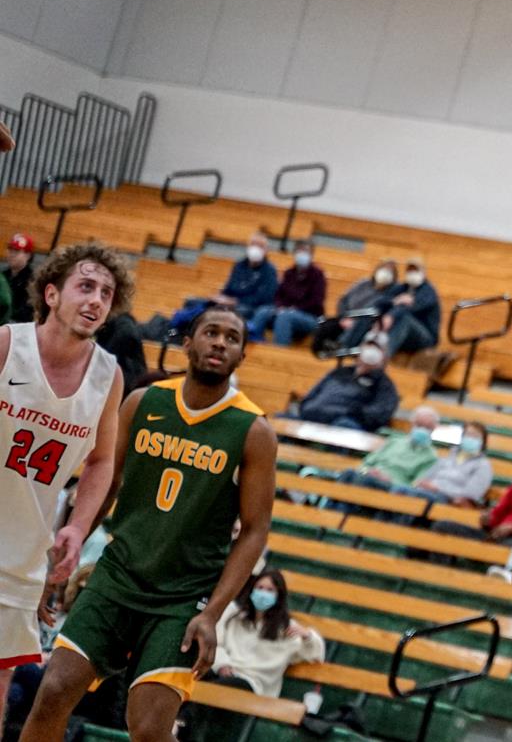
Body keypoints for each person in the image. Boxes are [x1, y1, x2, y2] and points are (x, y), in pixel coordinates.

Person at [25, 306, 276, 742]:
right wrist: (70, 547)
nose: (219, 342)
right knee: (53, 690)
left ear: (241, 357)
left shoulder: (253, 431)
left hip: (183, 596)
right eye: (211, 332)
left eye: (231, 338)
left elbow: (254, 531)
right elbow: (105, 479)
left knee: (148, 728)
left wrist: (213, 613)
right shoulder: (144, 402)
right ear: (187, 343)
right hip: (118, 575)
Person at [0, 244, 127, 707]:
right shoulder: (8, 344)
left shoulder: (108, 375)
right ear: (51, 294)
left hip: (24, 554)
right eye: (86, 286)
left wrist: (77, 525)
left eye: (107, 293)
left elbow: (100, 461)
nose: (96, 300)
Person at [208, 571, 324, 697]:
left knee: (226, 688)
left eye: (270, 590)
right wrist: (222, 664)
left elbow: (314, 654)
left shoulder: (286, 628)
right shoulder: (236, 617)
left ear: (279, 596)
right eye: (260, 588)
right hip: (224, 672)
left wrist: (308, 636)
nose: (263, 593)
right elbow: (216, 644)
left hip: (253, 684)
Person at [167, 233, 278, 336]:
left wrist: (235, 302)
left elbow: (265, 298)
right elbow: (228, 289)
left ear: (266, 250)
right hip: (229, 302)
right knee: (192, 302)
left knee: (223, 310)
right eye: (253, 244)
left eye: (260, 246)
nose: (255, 249)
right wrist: (220, 297)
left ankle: (190, 332)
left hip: (249, 307)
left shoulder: (269, 270)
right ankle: (174, 333)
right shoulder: (239, 265)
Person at [294, 342, 401, 432]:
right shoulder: (340, 372)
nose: (368, 356)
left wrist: (350, 412)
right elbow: (313, 394)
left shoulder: (383, 384)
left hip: (346, 422)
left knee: (344, 426)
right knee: (283, 419)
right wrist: (307, 407)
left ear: (382, 359)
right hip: (314, 414)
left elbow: (378, 414)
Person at [339, 404, 440, 487]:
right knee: (348, 474)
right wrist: (367, 472)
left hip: (392, 487)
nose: (422, 430)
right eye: (419, 425)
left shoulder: (431, 457)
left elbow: (415, 485)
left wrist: (389, 480)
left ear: (433, 429)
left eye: (427, 427)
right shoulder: (393, 442)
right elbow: (365, 465)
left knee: (364, 482)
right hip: (370, 476)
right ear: (412, 424)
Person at [246, 246, 325, 345]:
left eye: (306, 252)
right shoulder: (289, 273)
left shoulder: (317, 275)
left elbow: (316, 301)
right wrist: (280, 306)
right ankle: (252, 342)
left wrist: (294, 309)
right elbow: (279, 295)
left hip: (310, 316)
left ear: (311, 255)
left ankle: (279, 350)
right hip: (286, 310)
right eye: (299, 252)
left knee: (285, 316)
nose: (302, 255)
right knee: (263, 311)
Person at [401, 427, 492, 507]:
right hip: (427, 491)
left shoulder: (482, 465)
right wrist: (420, 484)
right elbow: (427, 477)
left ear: (483, 442)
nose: (470, 438)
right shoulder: (447, 457)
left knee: (414, 496)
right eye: (468, 434)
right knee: (401, 490)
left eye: (475, 436)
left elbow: (470, 494)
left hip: (447, 498)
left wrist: (438, 489)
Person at [373, 258, 439, 357]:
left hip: (426, 338)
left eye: (415, 270)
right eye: (409, 270)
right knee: (375, 315)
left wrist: (391, 316)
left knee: (404, 318)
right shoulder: (403, 288)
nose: (412, 273)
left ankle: (383, 356)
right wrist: (395, 301)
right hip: (405, 336)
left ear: (423, 273)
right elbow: (380, 302)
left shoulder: (428, 290)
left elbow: (412, 307)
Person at [332, 261, 400, 353]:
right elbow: (343, 300)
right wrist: (344, 317)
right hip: (347, 318)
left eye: (390, 271)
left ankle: (342, 343)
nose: (385, 273)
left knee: (366, 315)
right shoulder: (363, 283)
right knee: (328, 324)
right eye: (384, 269)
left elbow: (382, 309)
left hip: (369, 322)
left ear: (394, 276)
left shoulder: (393, 292)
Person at [5, 235, 34, 324]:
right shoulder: (3, 275)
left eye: (17, 251)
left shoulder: (32, 281)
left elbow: (26, 313)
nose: (12, 254)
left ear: (28, 255)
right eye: (10, 250)